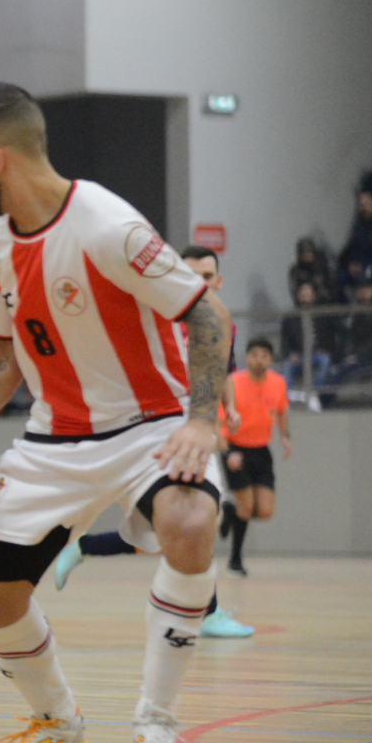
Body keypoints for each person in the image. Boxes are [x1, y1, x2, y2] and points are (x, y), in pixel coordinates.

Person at [0, 82, 232, 743]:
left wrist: (203, 422)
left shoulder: (110, 227)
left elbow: (208, 317)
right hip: (55, 439)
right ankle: (56, 720)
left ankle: (156, 724)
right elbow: (4, 348)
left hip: (153, 425)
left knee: (189, 519)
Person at [51, 245, 252, 638]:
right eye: (189, 273)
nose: (198, 282)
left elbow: (222, 369)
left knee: (171, 535)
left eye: (206, 276)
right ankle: (206, 615)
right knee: (195, 523)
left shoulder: (220, 323)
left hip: (196, 429)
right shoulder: (157, 315)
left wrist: (231, 406)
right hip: (158, 430)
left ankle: (85, 547)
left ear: (218, 281)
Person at [218, 339, 290, 578]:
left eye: (264, 355)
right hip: (236, 449)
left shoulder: (278, 383)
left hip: (261, 451)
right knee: (247, 507)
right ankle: (235, 561)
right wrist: (228, 454)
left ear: (271, 359)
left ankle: (229, 511)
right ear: (247, 358)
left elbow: (282, 410)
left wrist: (285, 437)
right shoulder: (233, 384)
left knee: (266, 511)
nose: (259, 359)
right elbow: (218, 425)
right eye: (254, 355)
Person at [281, 281, 343, 388]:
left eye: (308, 294)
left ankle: (314, 392)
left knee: (325, 360)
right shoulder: (290, 318)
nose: (305, 298)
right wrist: (291, 354)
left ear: (314, 296)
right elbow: (285, 341)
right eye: (302, 295)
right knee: (287, 365)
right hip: (300, 355)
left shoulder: (324, 314)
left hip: (319, 354)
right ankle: (288, 398)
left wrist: (333, 352)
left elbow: (340, 333)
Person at [338, 191, 372, 300]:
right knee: (340, 277)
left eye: (367, 203)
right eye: (362, 204)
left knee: (363, 278)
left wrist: (364, 264)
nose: (364, 207)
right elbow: (352, 246)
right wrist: (350, 263)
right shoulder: (359, 223)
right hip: (356, 261)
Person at [287, 236, 334, 303]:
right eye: (304, 254)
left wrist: (314, 294)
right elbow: (293, 288)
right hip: (301, 305)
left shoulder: (322, 268)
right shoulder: (295, 271)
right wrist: (302, 294)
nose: (307, 256)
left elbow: (330, 290)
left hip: (322, 305)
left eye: (309, 253)